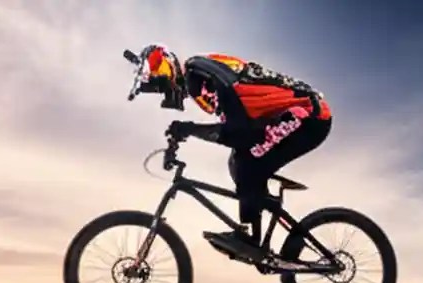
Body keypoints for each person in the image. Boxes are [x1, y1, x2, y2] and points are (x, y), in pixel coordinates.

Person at [129, 45, 332, 259]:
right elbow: (236, 130)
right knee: (239, 161)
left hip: (308, 117)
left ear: (170, 63)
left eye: (159, 69)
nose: (164, 83)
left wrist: (189, 129)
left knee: (247, 160)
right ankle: (256, 220)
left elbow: (238, 133)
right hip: (304, 117)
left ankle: (253, 241)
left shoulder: (199, 69)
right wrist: (183, 134)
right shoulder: (205, 80)